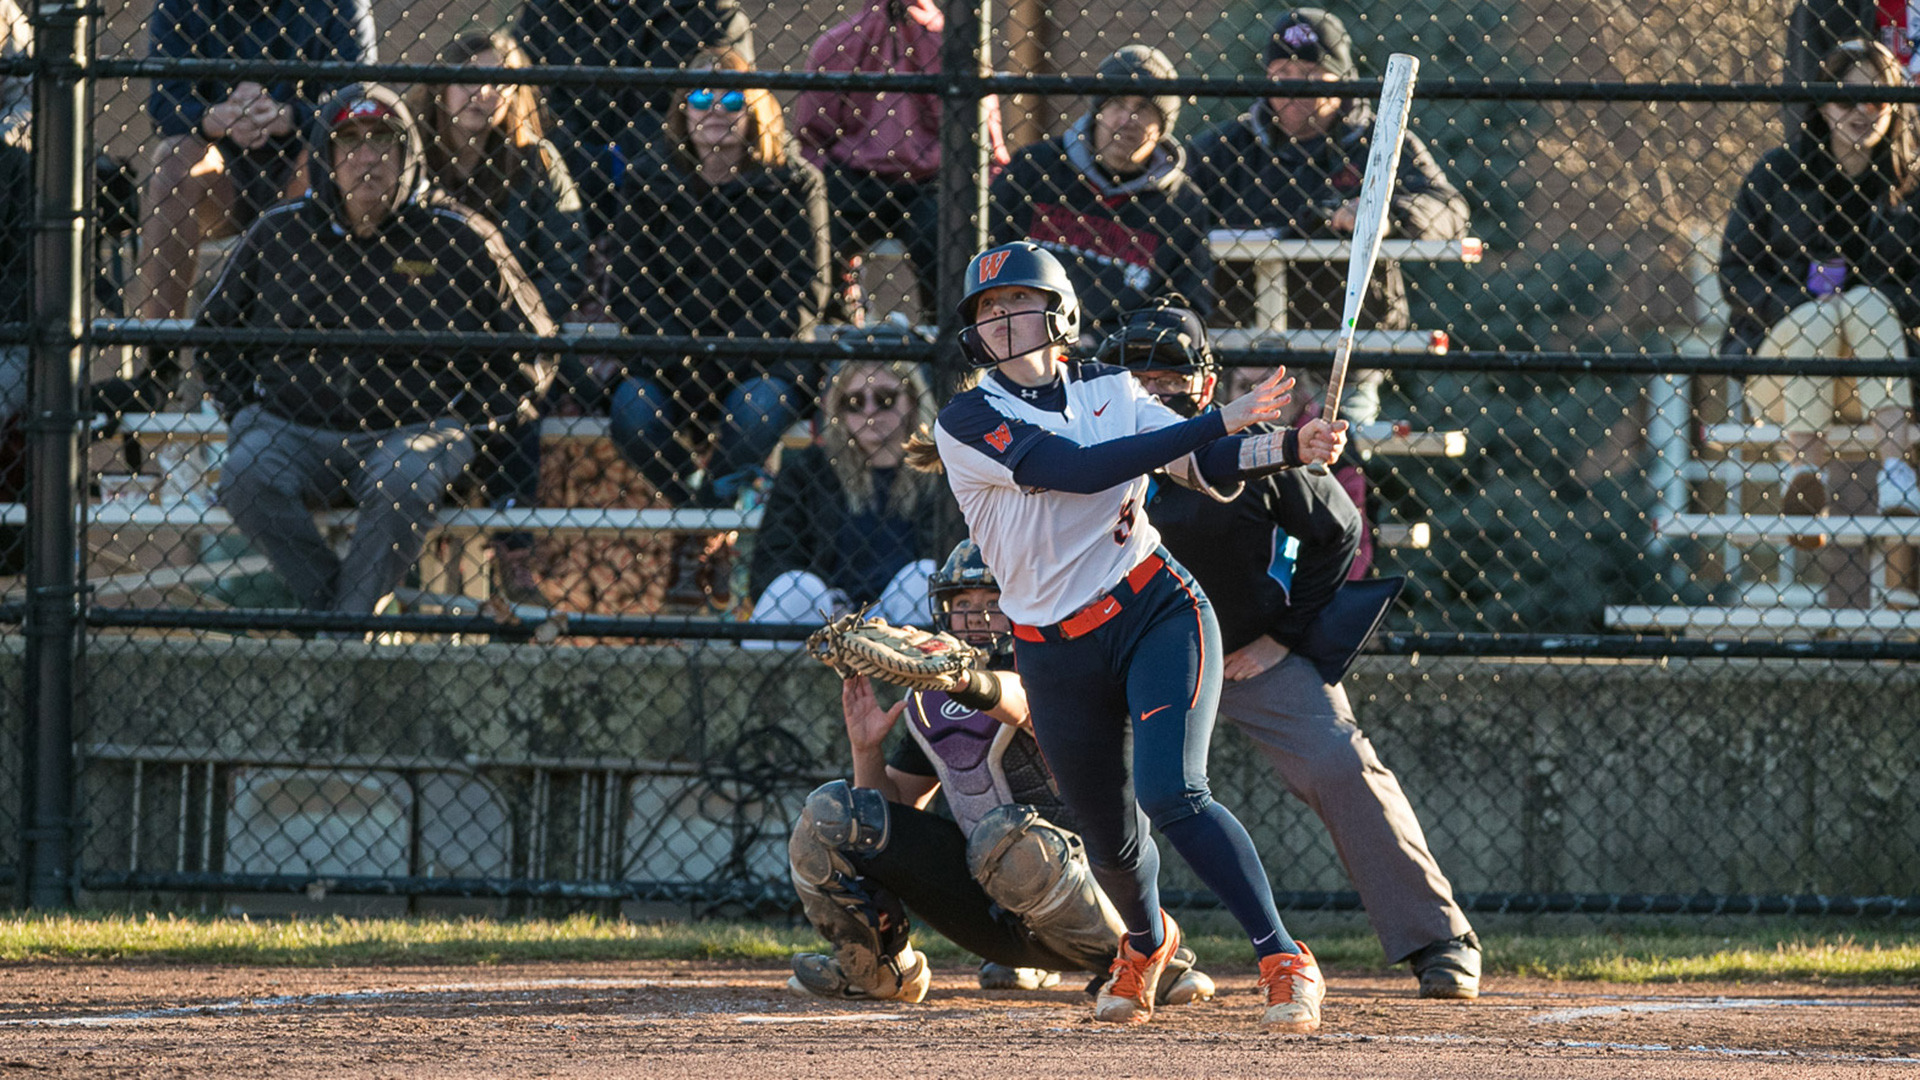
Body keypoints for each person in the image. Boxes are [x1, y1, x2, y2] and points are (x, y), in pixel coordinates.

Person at [906, 240, 1347, 1030]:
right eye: (988, 309)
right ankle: (1145, 945)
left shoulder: (1108, 388)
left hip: (1155, 609)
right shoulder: (968, 419)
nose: (1002, 318)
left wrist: (1289, 446)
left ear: (1060, 312)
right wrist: (1217, 418)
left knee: (1173, 793)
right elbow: (1079, 469)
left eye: (1018, 301)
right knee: (1106, 837)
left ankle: (1284, 956)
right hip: (1053, 645)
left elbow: (1200, 461)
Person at [1101, 300, 1482, 999]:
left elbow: (1339, 530)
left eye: (1170, 379)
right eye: (1138, 379)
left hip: (1244, 646)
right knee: (1082, 781)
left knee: (1339, 761)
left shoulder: (1249, 448)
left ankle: (1439, 937)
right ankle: (1095, 945)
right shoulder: (1092, 452)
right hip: (1128, 656)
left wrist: (1283, 637)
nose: (1153, 393)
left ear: (1207, 387)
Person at [787, 540, 1217, 1004]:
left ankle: (1148, 962)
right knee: (832, 814)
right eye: (963, 604)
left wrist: (961, 679)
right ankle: (879, 969)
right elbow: (890, 815)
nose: (976, 616)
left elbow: (1020, 701)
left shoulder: (1061, 662)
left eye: (992, 602)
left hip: (1089, 894)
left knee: (1006, 838)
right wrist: (865, 748)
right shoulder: (931, 699)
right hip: (986, 905)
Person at [200, 84, 556, 617]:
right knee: (245, 476)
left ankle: (339, 631)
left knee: (403, 481)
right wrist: (244, 409)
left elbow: (535, 344)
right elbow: (212, 334)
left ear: (408, 152)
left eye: (383, 140)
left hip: (415, 431)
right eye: (350, 141)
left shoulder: (461, 234)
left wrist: (473, 422)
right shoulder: (278, 232)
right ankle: (343, 619)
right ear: (325, 155)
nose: (367, 157)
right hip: (291, 427)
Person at [605, 47, 830, 604]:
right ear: (681, 109)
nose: (715, 109)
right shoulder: (648, 180)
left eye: (731, 98)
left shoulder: (794, 182)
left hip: (763, 359)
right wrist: (683, 350)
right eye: (701, 96)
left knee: (755, 410)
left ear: (755, 108)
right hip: (670, 359)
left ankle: (696, 535)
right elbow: (630, 289)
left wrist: (731, 350)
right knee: (632, 410)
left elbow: (805, 290)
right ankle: (706, 515)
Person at [1186, 8, 1468, 428]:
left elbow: (1449, 207)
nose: (1294, 85)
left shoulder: (1380, 141)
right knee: (1236, 454)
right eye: (1282, 72)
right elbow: (1173, 209)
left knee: (1338, 452)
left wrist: (1385, 215)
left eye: (1311, 73)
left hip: (1347, 344)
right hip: (1243, 346)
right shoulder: (1227, 146)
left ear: (1343, 79)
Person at [407, 30, 596, 606]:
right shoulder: (410, 158)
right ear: (441, 88)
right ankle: (410, 553)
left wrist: (518, 324)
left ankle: (515, 554)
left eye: (500, 81)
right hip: (422, 335)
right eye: (470, 78)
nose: (484, 92)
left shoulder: (537, 161)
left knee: (515, 397)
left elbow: (566, 265)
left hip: (513, 339)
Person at [1721, 39, 1920, 538]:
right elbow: (1736, 272)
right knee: (1818, 316)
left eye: (1875, 99)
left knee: (1867, 303)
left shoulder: (1912, 189)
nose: (1859, 112)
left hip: (1876, 378)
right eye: (1844, 98)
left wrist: (1866, 307)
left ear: (1894, 105)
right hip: (1780, 372)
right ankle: (1807, 477)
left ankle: (1895, 476)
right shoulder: (1776, 175)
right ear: (1822, 104)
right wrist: (1803, 305)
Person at [133, 0, 376, 324]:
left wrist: (287, 116)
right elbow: (164, 106)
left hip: (302, 160)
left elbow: (357, 104)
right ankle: (160, 345)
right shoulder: (181, 5)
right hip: (221, 170)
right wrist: (218, 118)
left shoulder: (342, 5)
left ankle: (289, 338)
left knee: (325, 158)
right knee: (173, 159)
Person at [794, 0, 1009, 322]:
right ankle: (832, 322)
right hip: (855, 175)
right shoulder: (840, 44)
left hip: (933, 178)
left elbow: (985, 143)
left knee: (944, 242)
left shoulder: (953, 46)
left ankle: (946, 331)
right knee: (817, 232)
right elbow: (813, 137)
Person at [986, 45, 1212, 340]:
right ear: (1097, 111)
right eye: (1116, 103)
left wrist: (1122, 344)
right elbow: (985, 253)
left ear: (1163, 125)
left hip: (1123, 354)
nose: (1127, 119)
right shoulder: (1034, 168)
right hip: (1023, 338)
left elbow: (1188, 306)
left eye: (1144, 108)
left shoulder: (1182, 204)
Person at [747, 361, 957, 631]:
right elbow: (771, 561)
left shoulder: (943, 473)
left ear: (912, 400)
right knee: (796, 587)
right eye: (855, 402)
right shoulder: (807, 471)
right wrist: (830, 601)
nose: (869, 411)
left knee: (924, 576)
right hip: (827, 612)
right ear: (840, 409)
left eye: (885, 399)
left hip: (902, 618)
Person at [515, 0, 753, 233]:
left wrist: (629, 162)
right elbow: (528, 99)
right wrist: (588, 160)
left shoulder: (709, 9)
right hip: (569, 172)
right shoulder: (549, 8)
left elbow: (733, 96)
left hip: (669, 187)